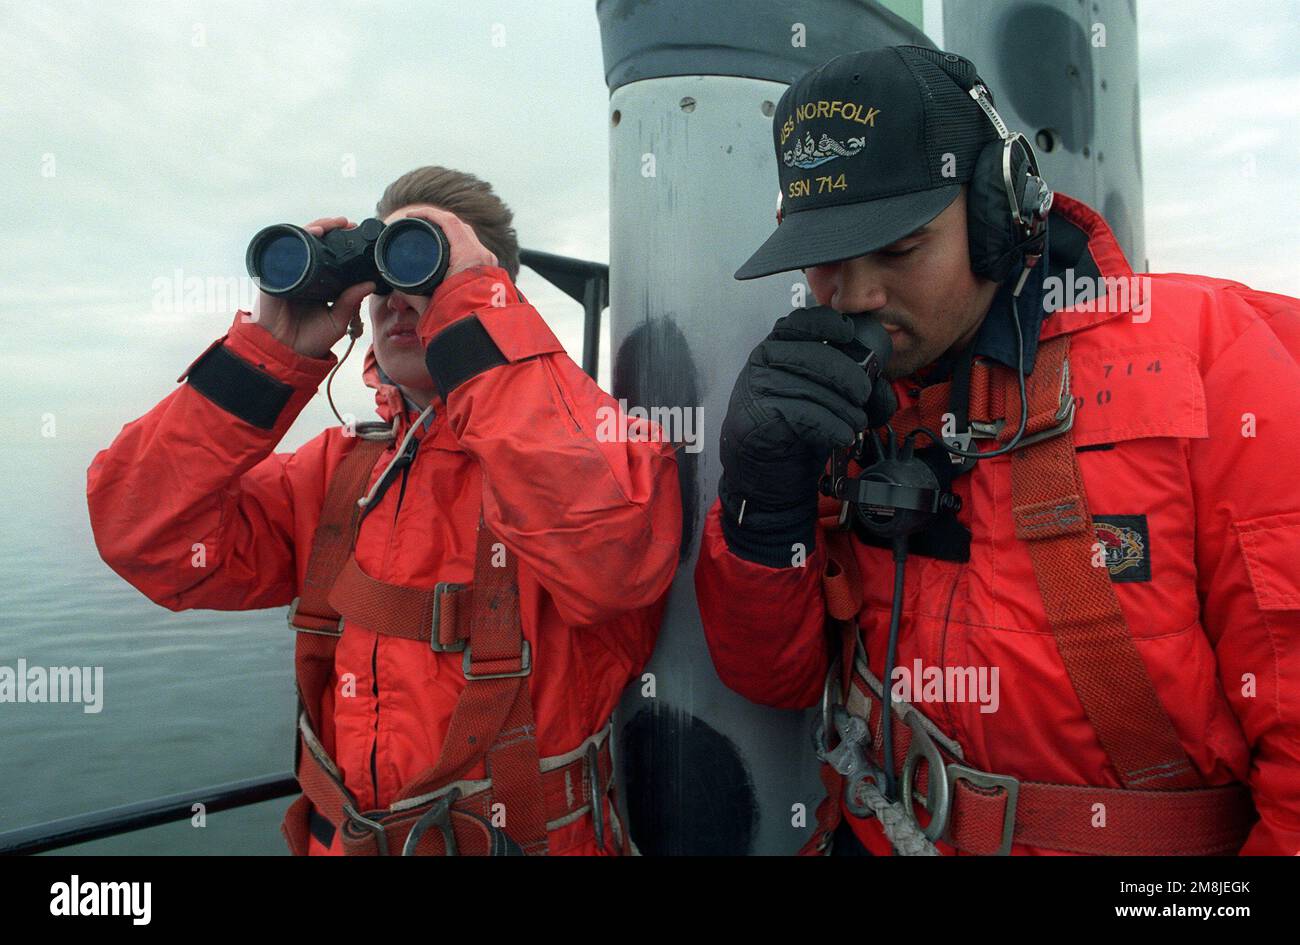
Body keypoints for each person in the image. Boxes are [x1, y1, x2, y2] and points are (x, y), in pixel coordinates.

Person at [696, 45, 1300, 855]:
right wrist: (759, 506)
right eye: (827, 258)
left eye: (900, 249)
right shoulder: (836, 408)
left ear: (999, 209)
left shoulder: (1217, 362)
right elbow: (775, 681)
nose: (858, 294)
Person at [88, 166, 682, 855]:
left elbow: (613, 561)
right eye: (382, 280)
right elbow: (141, 534)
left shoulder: (597, 451)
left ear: (493, 293)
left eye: (421, 265)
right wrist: (267, 353)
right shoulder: (340, 476)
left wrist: (476, 317)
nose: (398, 299)